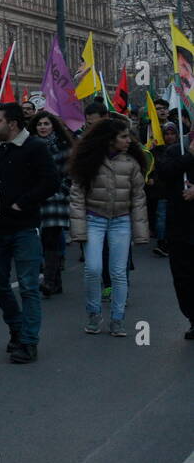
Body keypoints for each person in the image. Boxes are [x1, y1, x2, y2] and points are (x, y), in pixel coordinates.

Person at [0, 103, 59, 363]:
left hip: (24, 229)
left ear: (12, 124)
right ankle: (16, 326)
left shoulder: (35, 148)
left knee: (29, 286)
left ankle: (29, 342)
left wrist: (24, 202)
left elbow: (51, 182)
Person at [69, 117, 148, 336]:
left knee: (119, 272)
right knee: (93, 268)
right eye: (123, 136)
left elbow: (138, 198)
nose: (129, 141)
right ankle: (94, 314)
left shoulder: (132, 163)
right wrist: (79, 229)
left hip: (121, 221)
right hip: (94, 220)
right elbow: (77, 196)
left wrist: (141, 233)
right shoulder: (88, 161)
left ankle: (117, 319)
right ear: (110, 139)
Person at [155, 132, 194, 339]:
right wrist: (189, 156)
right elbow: (163, 174)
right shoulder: (176, 150)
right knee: (182, 276)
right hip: (179, 225)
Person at [31, 111, 74, 297]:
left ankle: (49, 281)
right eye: (39, 124)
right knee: (40, 240)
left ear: (53, 126)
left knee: (51, 238)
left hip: (56, 199)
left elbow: (70, 174)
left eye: (46, 124)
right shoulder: (28, 146)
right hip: (34, 198)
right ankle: (56, 281)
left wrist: (62, 192)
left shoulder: (63, 147)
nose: (42, 127)